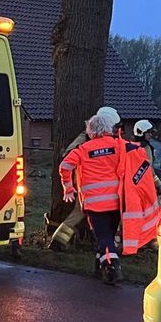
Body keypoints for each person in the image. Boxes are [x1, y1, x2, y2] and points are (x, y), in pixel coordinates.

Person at [58, 111, 123, 284]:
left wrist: (68, 188)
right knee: (108, 235)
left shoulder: (83, 149)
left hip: (94, 204)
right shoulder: (119, 146)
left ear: (90, 131)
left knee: (103, 237)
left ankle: (111, 266)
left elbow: (65, 165)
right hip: (117, 202)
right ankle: (99, 265)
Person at [49, 105, 121, 249]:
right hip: (87, 185)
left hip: (92, 186)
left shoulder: (95, 139)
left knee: (82, 213)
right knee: (80, 212)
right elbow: (68, 157)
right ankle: (109, 247)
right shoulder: (85, 140)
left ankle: (60, 240)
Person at [132, 119, 161, 197]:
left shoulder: (129, 146)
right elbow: (149, 168)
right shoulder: (146, 148)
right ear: (141, 132)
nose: (151, 135)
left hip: (132, 185)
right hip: (146, 183)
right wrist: (157, 184)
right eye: (148, 132)